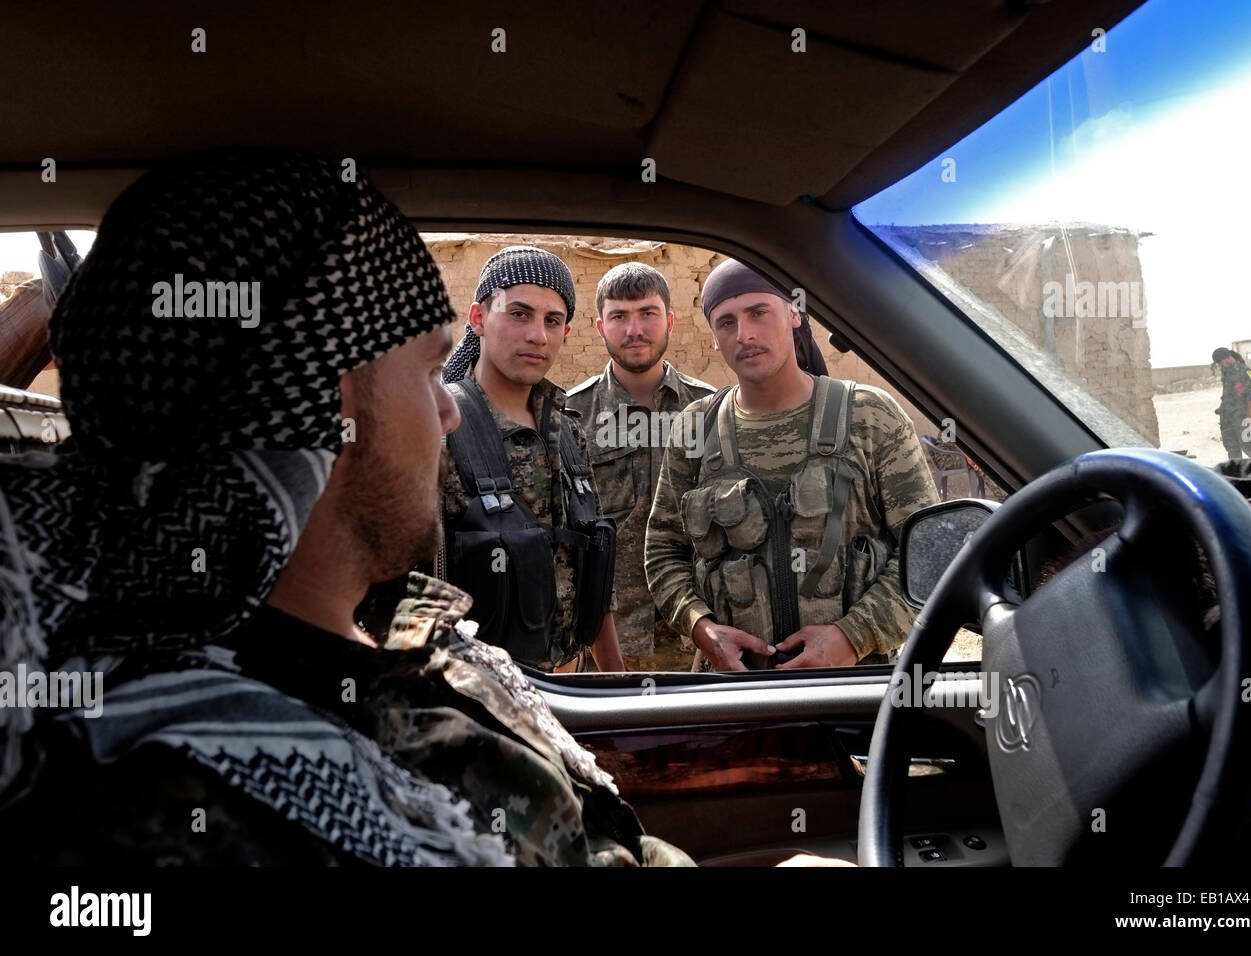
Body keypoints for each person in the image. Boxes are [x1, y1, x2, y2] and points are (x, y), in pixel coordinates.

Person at [0, 150, 690, 866]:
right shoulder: (200, 807)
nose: (449, 413)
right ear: (314, 406)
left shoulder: (399, 628)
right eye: (427, 371)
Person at [644, 258, 941, 672]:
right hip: (733, 694)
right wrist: (702, 629)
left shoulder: (870, 416)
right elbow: (662, 551)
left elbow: (929, 550)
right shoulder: (695, 428)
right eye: (726, 322)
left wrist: (851, 638)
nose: (744, 334)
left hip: (852, 691)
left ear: (794, 313)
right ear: (713, 337)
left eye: (758, 313)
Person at [424, 247, 623, 674]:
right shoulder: (440, 430)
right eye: (519, 314)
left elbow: (592, 555)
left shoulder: (567, 428)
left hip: (572, 685)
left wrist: (616, 680)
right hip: (479, 695)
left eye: (553, 321)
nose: (538, 335)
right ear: (478, 318)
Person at [566, 262, 715, 671]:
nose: (635, 330)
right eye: (619, 316)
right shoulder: (571, 416)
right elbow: (568, 545)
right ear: (600, 327)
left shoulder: (711, 412)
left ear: (669, 321)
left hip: (702, 647)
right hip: (607, 652)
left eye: (648, 314)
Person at [1212, 347, 1251, 460]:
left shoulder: (1246, 372)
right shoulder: (1226, 370)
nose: (1220, 366)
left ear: (1227, 359)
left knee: (1248, 445)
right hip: (1226, 416)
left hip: (1242, 416)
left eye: (1221, 363)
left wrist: (1249, 417)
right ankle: (1236, 473)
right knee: (1231, 448)